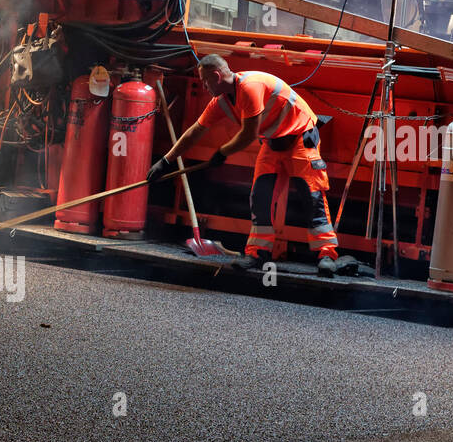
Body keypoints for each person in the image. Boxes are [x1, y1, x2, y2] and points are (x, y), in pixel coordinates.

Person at [148, 54, 357, 276]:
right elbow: (195, 132)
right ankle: (257, 254)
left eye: (206, 81)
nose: (204, 85)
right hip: (272, 142)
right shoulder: (221, 101)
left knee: (312, 196)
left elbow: (248, 134)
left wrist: (222, 153)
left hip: (299, 137)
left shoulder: (250, 86)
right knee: (260, 196)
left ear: (217, 76)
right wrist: (165, 161)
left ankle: (326, 254)